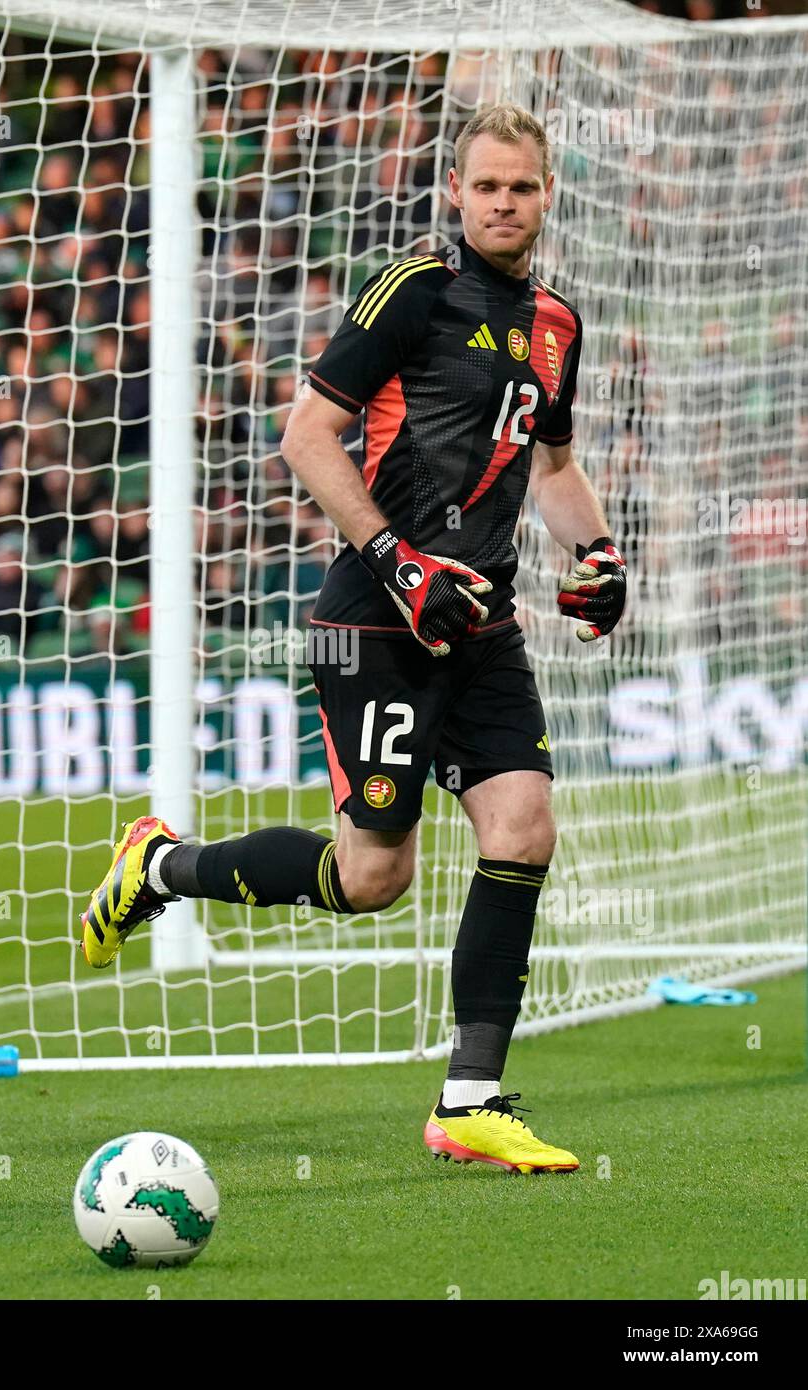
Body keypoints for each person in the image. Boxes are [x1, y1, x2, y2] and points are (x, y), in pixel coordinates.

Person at [78, 103, 627, 1174]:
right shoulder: (414, 294)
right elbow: (306, 434)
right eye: (486, 187)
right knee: (373, 877)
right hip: (373, 620)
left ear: (547, 192)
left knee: (522, 826)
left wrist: (598, 553)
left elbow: (553, 470)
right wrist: (397, 559)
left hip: (482, 621)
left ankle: (470, 1100)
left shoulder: (557, 321)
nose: (504, 203)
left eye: (522, 186)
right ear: (457, 195)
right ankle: (164, 865)